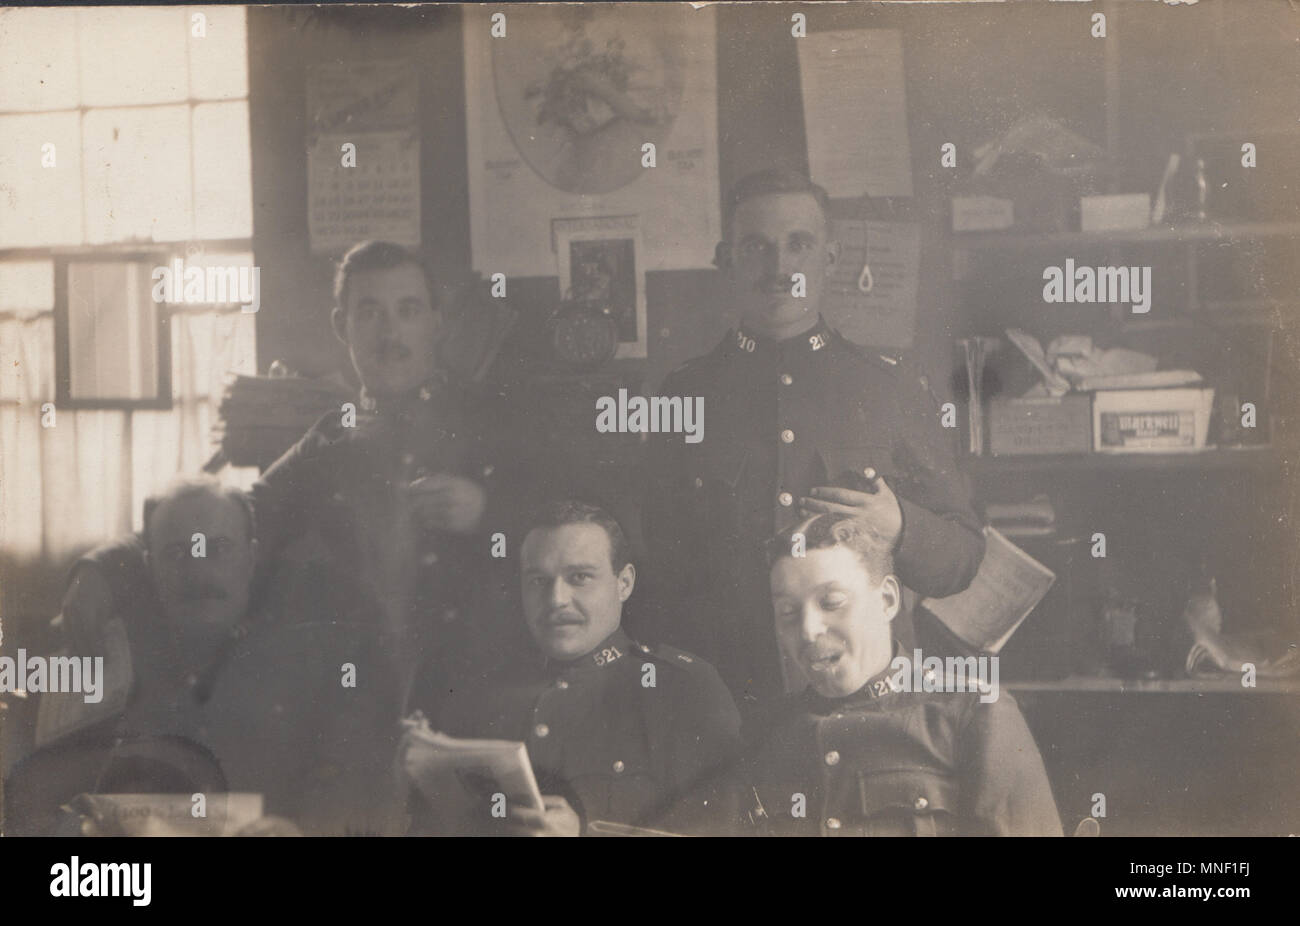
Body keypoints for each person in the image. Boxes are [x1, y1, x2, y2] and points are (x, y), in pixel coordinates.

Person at [59, 241, 564, 704]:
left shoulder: (497, 420)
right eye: (369, 313)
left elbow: (590, 533)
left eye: (407, 311)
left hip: (486, 691)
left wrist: (489, 513)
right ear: (341, 326)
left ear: (435, 320)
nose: (390, 334)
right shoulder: (331, 438)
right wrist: (110, 564)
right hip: (358, 705)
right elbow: (236, 517)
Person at [643, 168, 985, 723]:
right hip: (727, 702)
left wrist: (900, 525)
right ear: (726, 260)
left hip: (868, 706)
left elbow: (964, 557)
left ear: (829, 259)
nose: (779, 268)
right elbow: (656, 565)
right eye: (756, 247)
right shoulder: (686, 393)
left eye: (798, 245)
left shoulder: (887, 387)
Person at [9, 478, 406, 836]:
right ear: (149, 565)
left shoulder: (312, 652)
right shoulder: (111, 655)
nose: (200, 573)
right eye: (178, 554)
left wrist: (300, 828)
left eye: (218, 549)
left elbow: (350, 776)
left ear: (250, 558)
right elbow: (42, 797)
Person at [674, 513, 1060, 837]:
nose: (808, 630)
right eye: (788, 613)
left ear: (888, 599)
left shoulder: (972, 713)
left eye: (832, 603)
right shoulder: (767, 734)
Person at [407, 500, 742, 836]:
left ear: (624, 583)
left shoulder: (683, 692)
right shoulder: (481, 697)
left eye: (579, 577)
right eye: (539, 580)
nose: (556, 599)